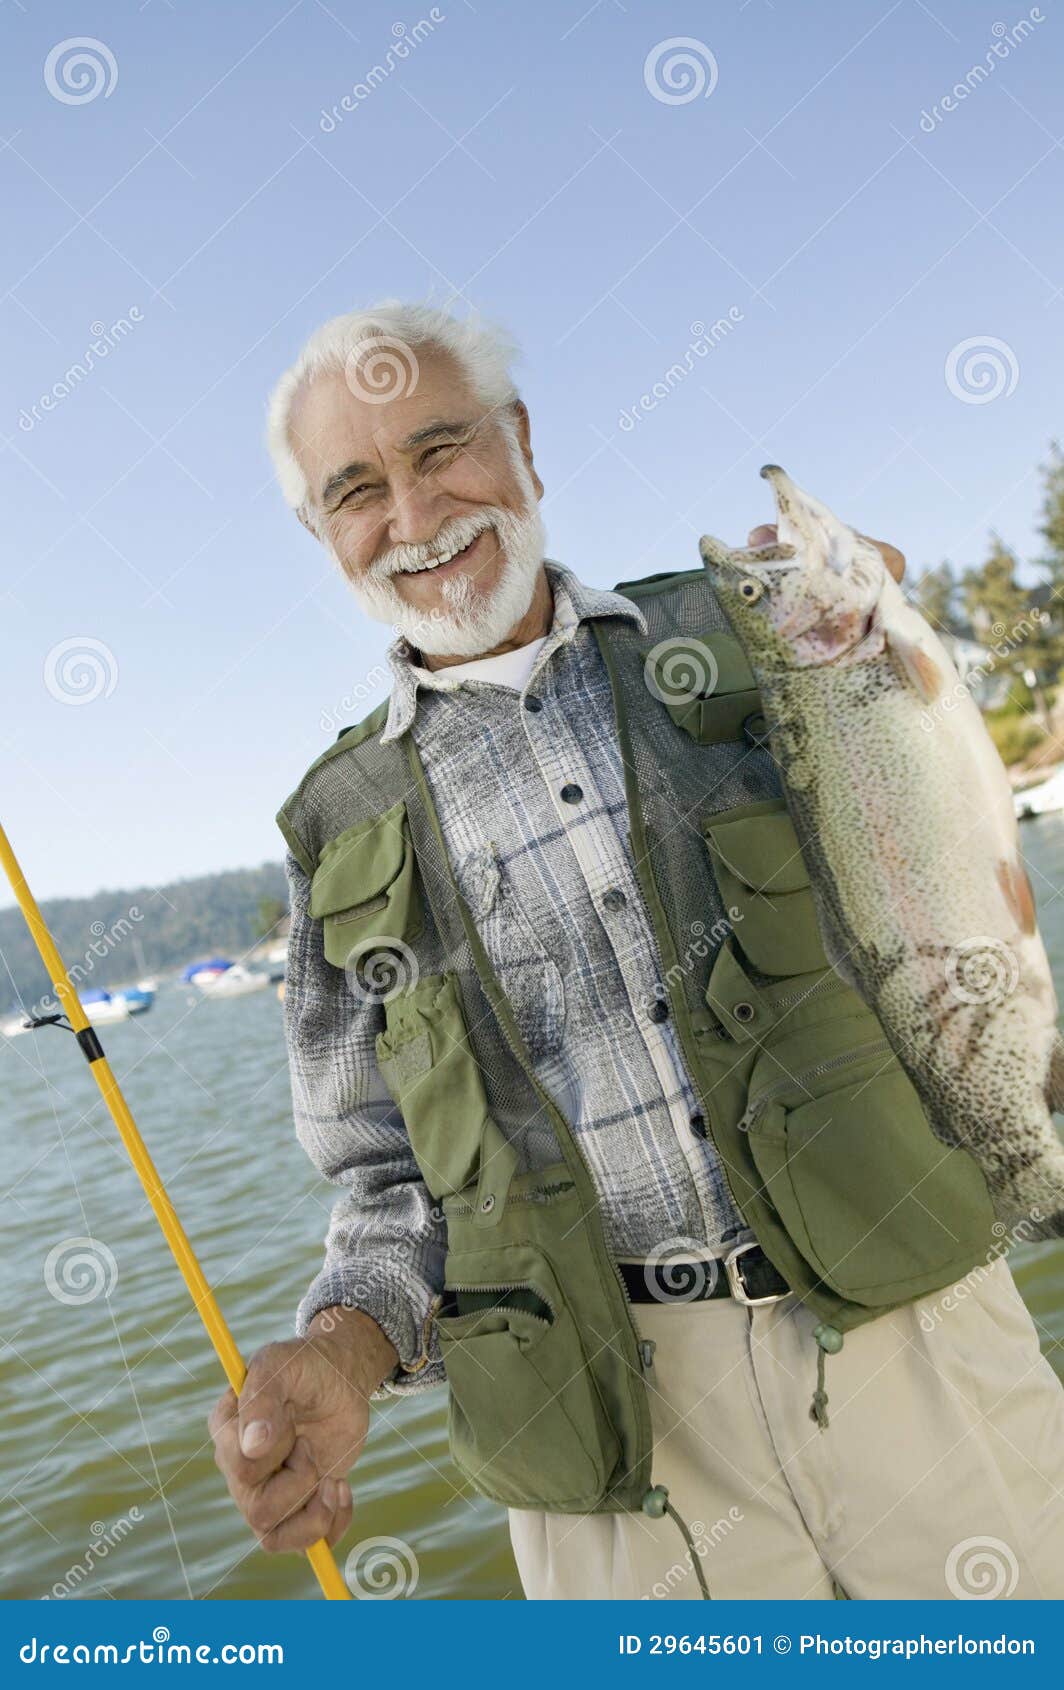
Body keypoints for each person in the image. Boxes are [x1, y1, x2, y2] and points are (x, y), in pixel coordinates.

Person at [209, 301, 1064, 1600]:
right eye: (359, 489)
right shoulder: (336, 826)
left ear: (523, 443)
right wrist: (336, 1354)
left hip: (919, 1334)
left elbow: (947, 892)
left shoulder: (749, 629)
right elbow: (385, 1183)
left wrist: (895, 633)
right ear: (322, 536)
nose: (416, 510)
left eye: (442, 449)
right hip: (617, 1461)